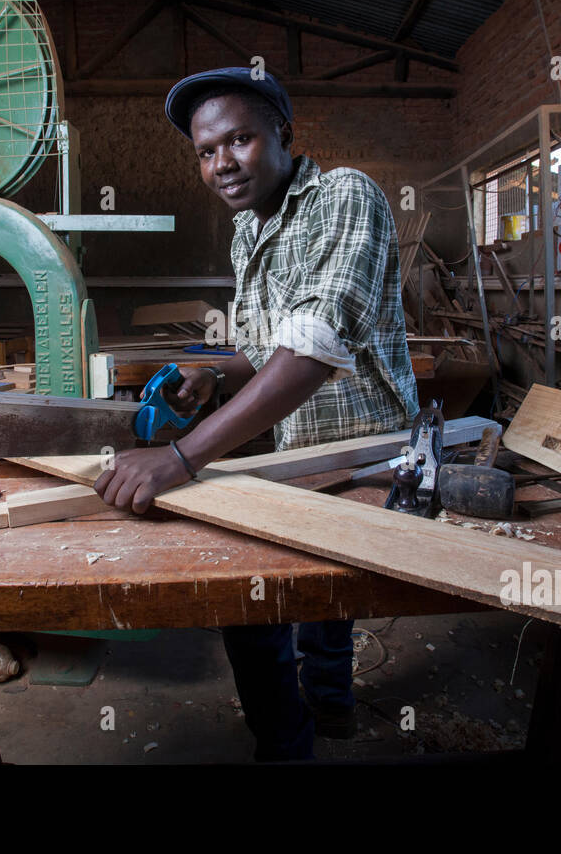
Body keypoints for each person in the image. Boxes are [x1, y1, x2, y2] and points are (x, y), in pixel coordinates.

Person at [94, 67, 419, 760]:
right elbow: (266, 347)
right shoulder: (248, 232)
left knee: (276, 600)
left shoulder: (343, 196)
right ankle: (305, 727)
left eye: (238, 140)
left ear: (283, 135)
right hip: (302, 446)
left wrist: (180, 457)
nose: (221, 164)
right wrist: (216, 377)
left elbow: (313, 349)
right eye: (206, 152)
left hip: (372, 457)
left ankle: (311, 725)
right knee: (275, 604)